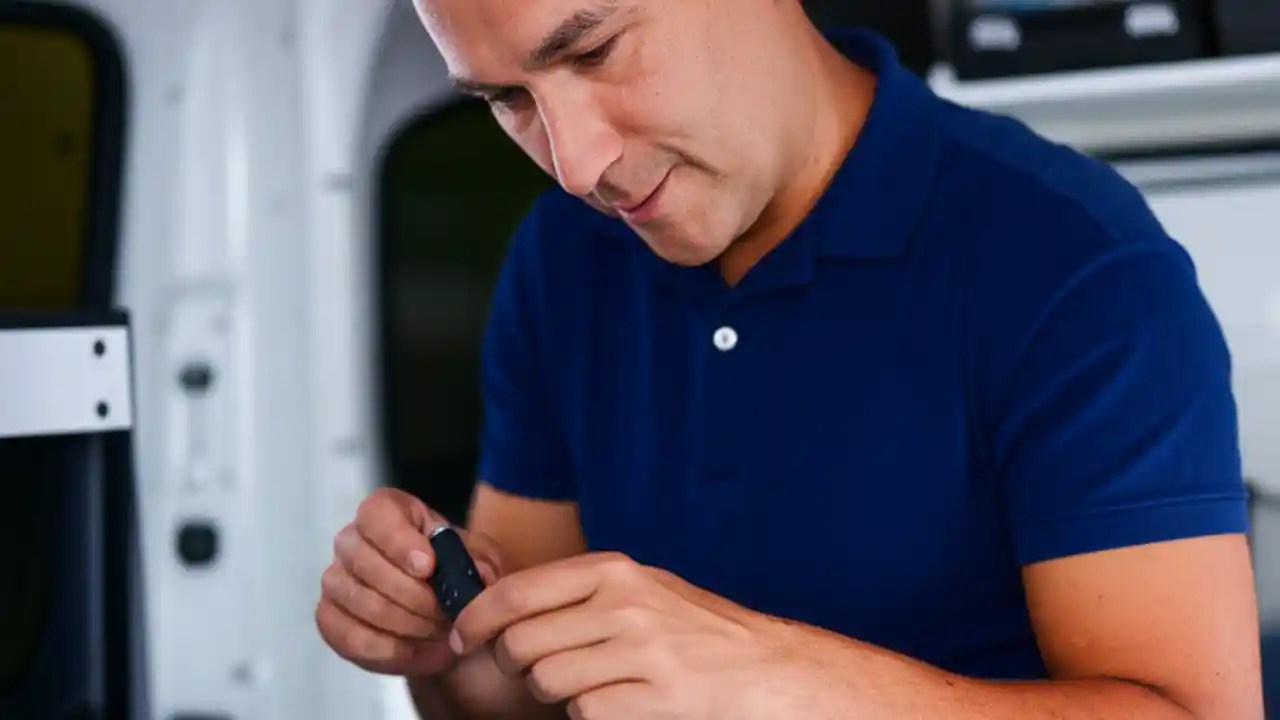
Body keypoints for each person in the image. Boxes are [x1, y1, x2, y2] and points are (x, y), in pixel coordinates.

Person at [316, 1, 1265, 717]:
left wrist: (786, 683)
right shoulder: (563, 255)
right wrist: (436, 644)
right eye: (508, 100)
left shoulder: (1070, 260)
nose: (575, 164)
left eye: (595, 50)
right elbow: (517, 692)